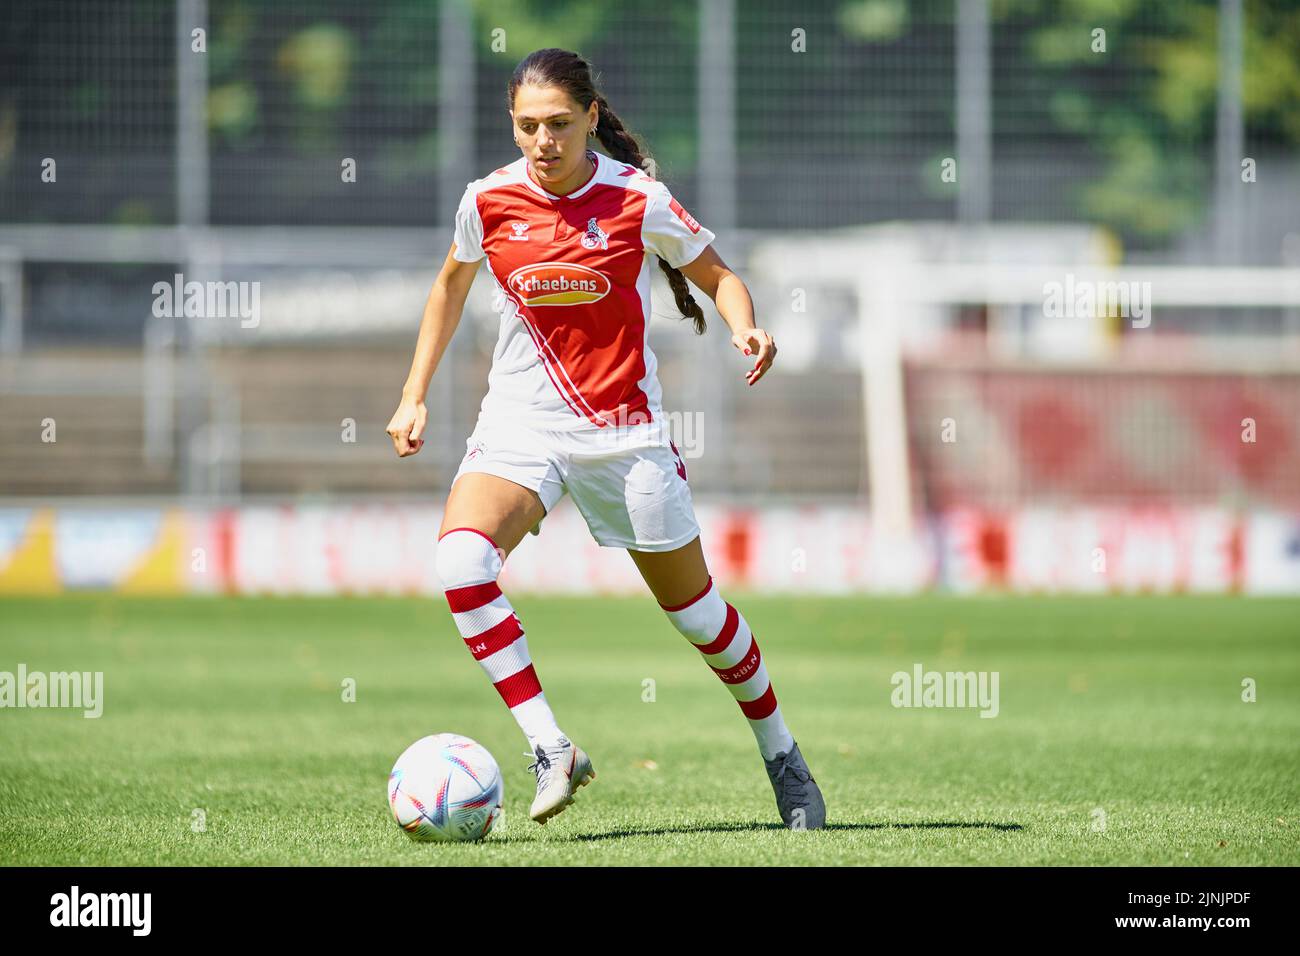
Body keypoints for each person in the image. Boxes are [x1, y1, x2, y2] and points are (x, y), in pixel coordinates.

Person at [385, 48, 825, 830]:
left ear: (591, 117)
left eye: (558, 124)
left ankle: (783, 755)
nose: (542, 141)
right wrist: (413, 396)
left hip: (625, 435)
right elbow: (447, 290)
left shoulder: (635, 197)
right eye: (527, 127)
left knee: (699, 619)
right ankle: (551, 747)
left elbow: (719, 274)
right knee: (461, 562)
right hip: (521, 426)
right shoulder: (485, 202)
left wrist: (748, 327)